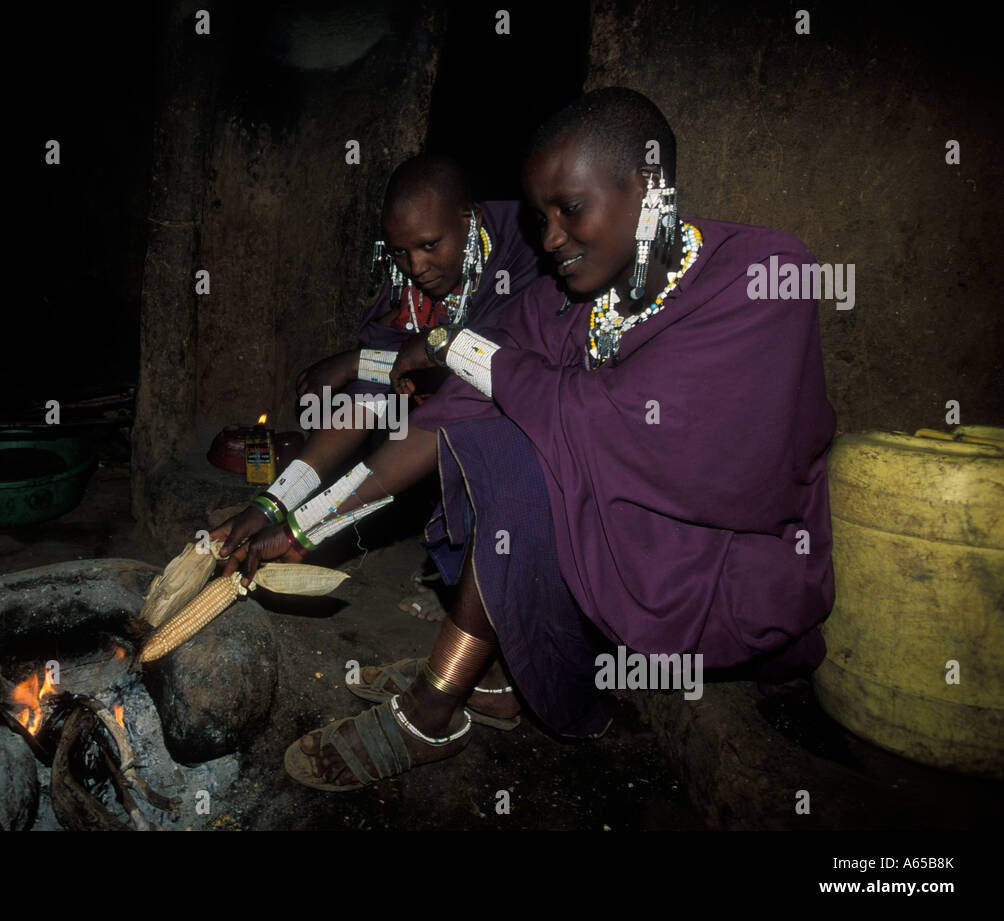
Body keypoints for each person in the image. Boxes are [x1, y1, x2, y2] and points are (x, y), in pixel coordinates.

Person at [233, 87, 837, 791]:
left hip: (707, 569)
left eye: (569, 209)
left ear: (645, 186)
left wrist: (469, 352)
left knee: (527, 446)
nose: (549, 239)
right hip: (606, 542)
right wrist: (300, 523)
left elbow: (612, 420)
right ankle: (483, 675)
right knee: (491, 425)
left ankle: (434, 709)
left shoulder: (762, 281)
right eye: (541, 216)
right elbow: (447, 411)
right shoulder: (566, 301)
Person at [210, 153, 540, 620]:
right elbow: (368, 398)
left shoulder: (524, 258)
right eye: (401, 251)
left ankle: (479, 629)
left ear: (469, 217)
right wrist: (270, 505)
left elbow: (476, 380)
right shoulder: (408, 282)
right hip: (438, 423)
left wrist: (303, 529)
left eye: (429, 245)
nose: (416, 266)